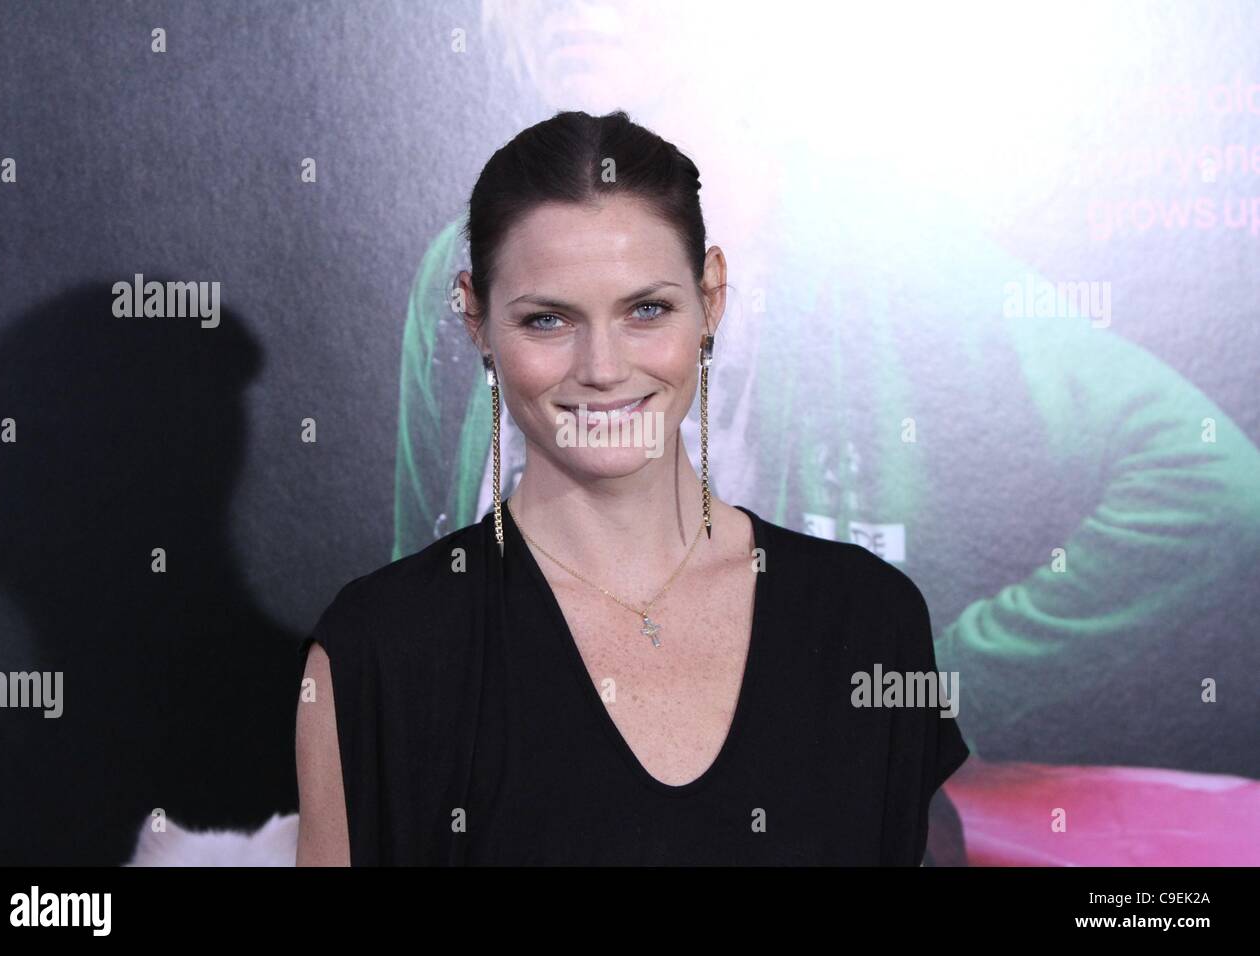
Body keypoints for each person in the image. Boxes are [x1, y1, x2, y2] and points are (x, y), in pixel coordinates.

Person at [296, 110, 969, 866]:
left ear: (711, 300)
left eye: (647, 309)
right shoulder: (380, 653)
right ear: (476, 318)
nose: (604, 368)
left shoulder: (869, 622)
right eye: (548, 321)